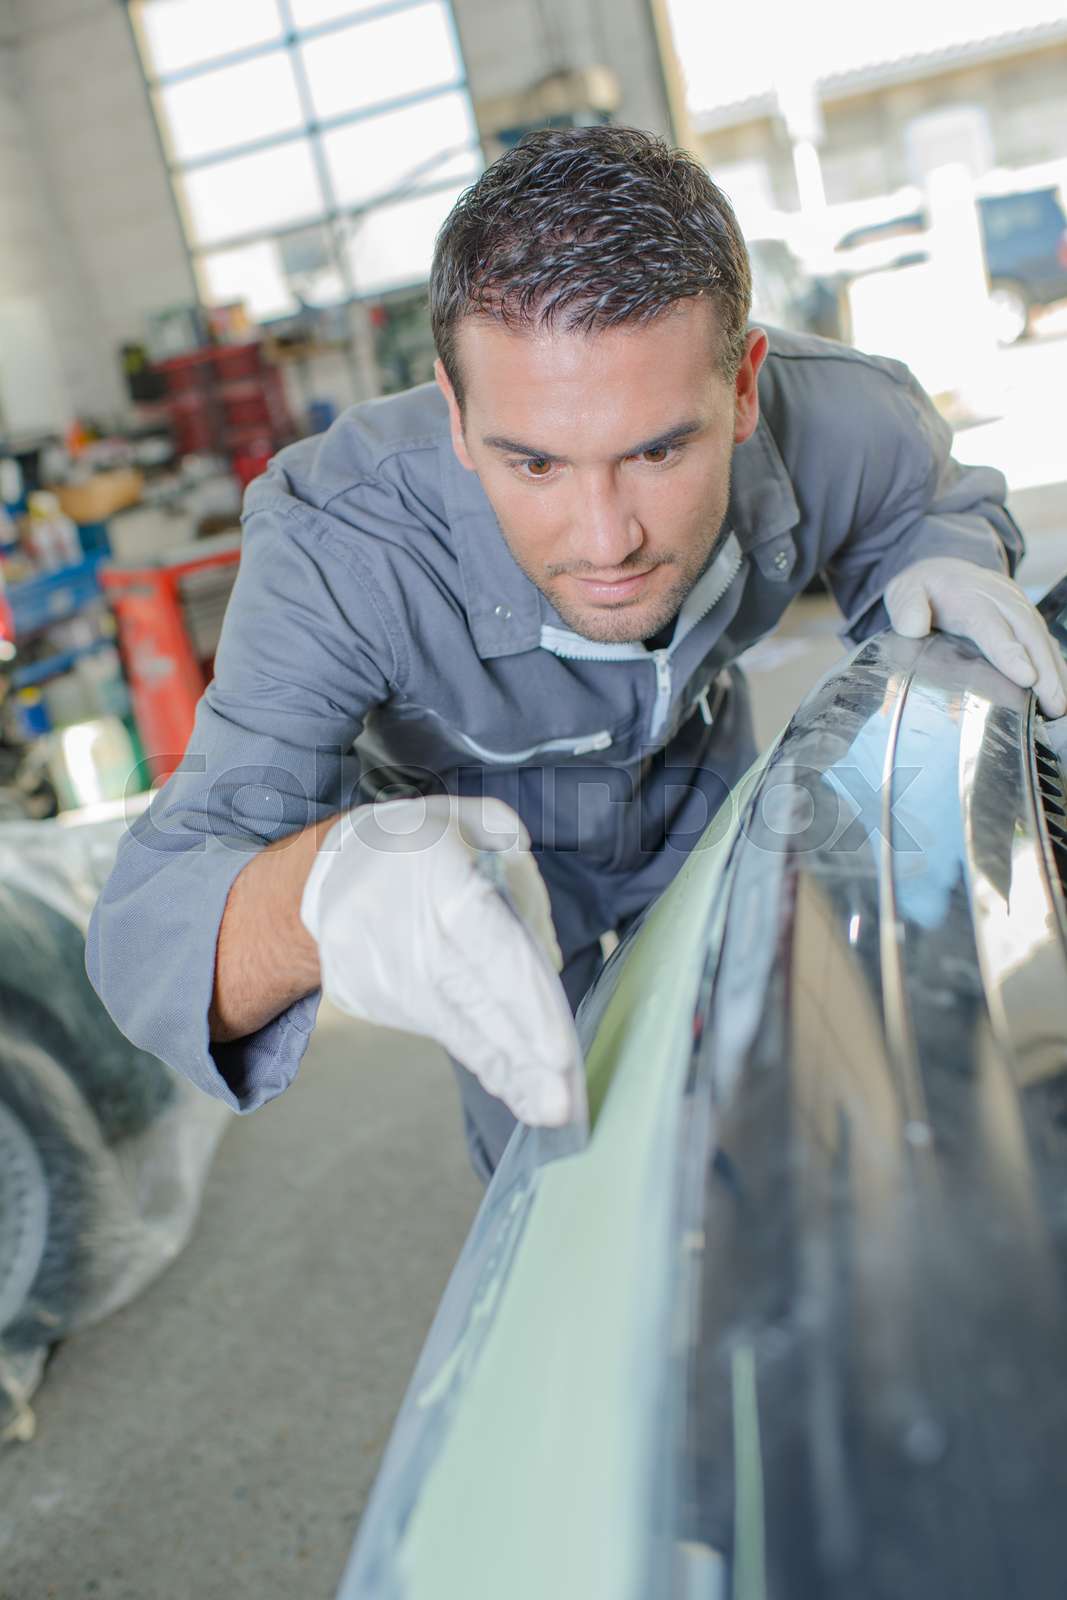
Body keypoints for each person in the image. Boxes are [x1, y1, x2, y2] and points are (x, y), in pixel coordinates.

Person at [87, 126, 1067, 1183]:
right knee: (557, 1165)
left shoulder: (838, 413)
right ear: (457, 415)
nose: (607, 542)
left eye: (656, 450)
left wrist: (945, 557)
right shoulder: (343, 546)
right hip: (474, 870)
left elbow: (919, 502)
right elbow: (150, 931)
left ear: (740, 388)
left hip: (701, 795)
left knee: (775, 1095)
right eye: (535, 462)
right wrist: (319, 900)